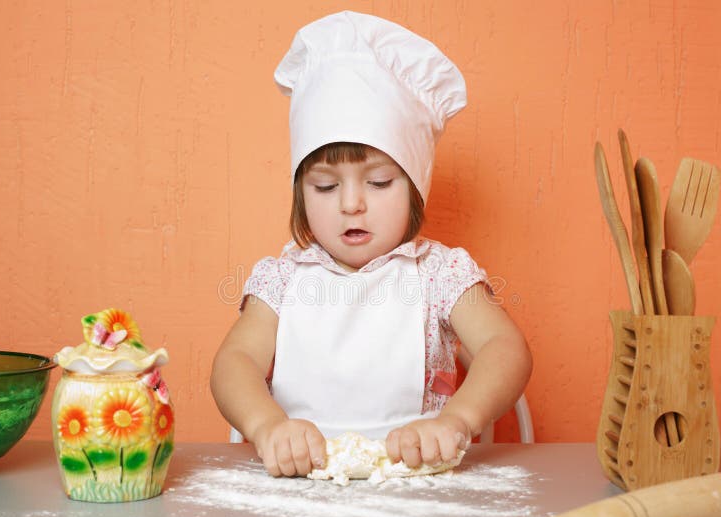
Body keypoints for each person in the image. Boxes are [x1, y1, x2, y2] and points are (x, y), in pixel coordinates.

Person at [210, 10, 531, 478]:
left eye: (379, 182)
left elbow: (506, 348)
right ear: (300, 194)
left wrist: (457, 420)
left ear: (414, 190)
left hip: (417, 487)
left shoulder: (440, 275)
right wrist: (268, 427)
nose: (352, 204)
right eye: (324, 187)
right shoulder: (281, 280)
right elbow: (232, 363)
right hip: (298, 491)